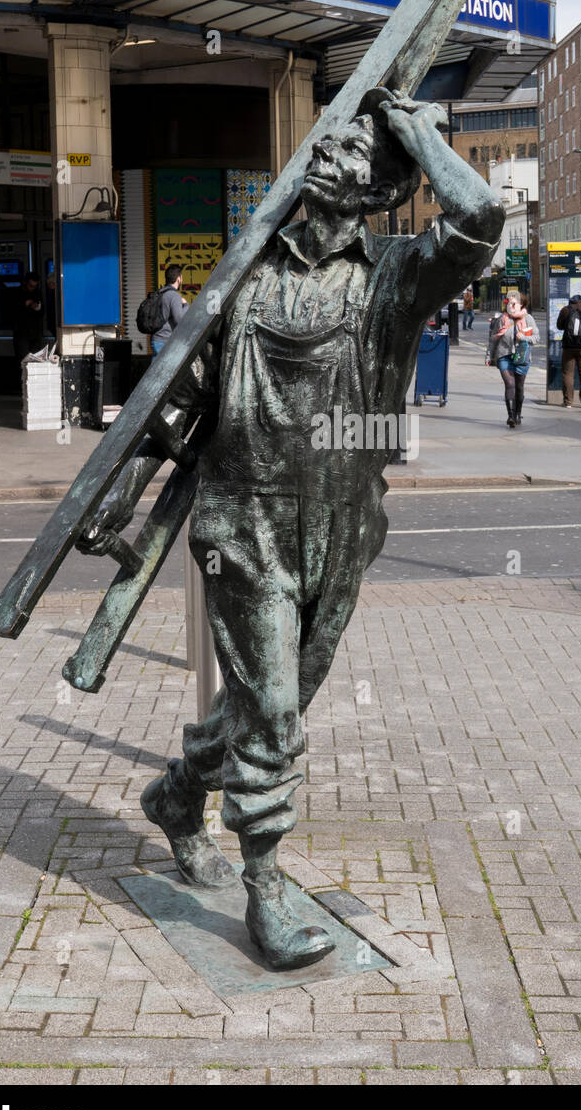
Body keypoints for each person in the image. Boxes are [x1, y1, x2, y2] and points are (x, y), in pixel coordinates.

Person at [78, 89, 504, 969]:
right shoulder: (244, 271)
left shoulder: (392, 275)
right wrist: (117, 488)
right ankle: (264, 894)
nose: (329, 149)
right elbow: (178, 398)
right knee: (274, 717)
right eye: (329, 141)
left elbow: (480, 215)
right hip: (243, 520)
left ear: (380, 191)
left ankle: (176, 793)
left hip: (343, 527)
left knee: (266, 704)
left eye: (353, 151)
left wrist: (420, 132)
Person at [488, 292, 538, 428]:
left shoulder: (528, 319)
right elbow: (493, 339)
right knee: (510, 383)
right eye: (509, 303)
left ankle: (517, 413)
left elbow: (536, 338)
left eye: (514, 302)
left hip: (522, 356)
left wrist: (525, 338)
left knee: (519, 386)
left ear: (521, 304)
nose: (511, 305)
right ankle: (510, 416)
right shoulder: (502, 319)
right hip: (504, 355)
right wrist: (489, 356)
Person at [152, 264, 189, 355]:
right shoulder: (174, 295)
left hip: (156, 338)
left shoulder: (160, 292)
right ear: (178, 278)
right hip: (165, 340)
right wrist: (186, 305)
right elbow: (179, 320)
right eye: (181, 277)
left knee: (156, 368)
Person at [12, 272, 45, 364]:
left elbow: (42, 311)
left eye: (35, 285)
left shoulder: (37, 292)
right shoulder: (18, 293)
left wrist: (37, 308)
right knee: (23, 360)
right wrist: (25, 304)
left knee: (35, 359)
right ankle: (22, 377)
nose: (32, 288)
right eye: (31, 285)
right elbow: (12, 311)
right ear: (26, 283)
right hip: (21, 331)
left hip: (35, 332)